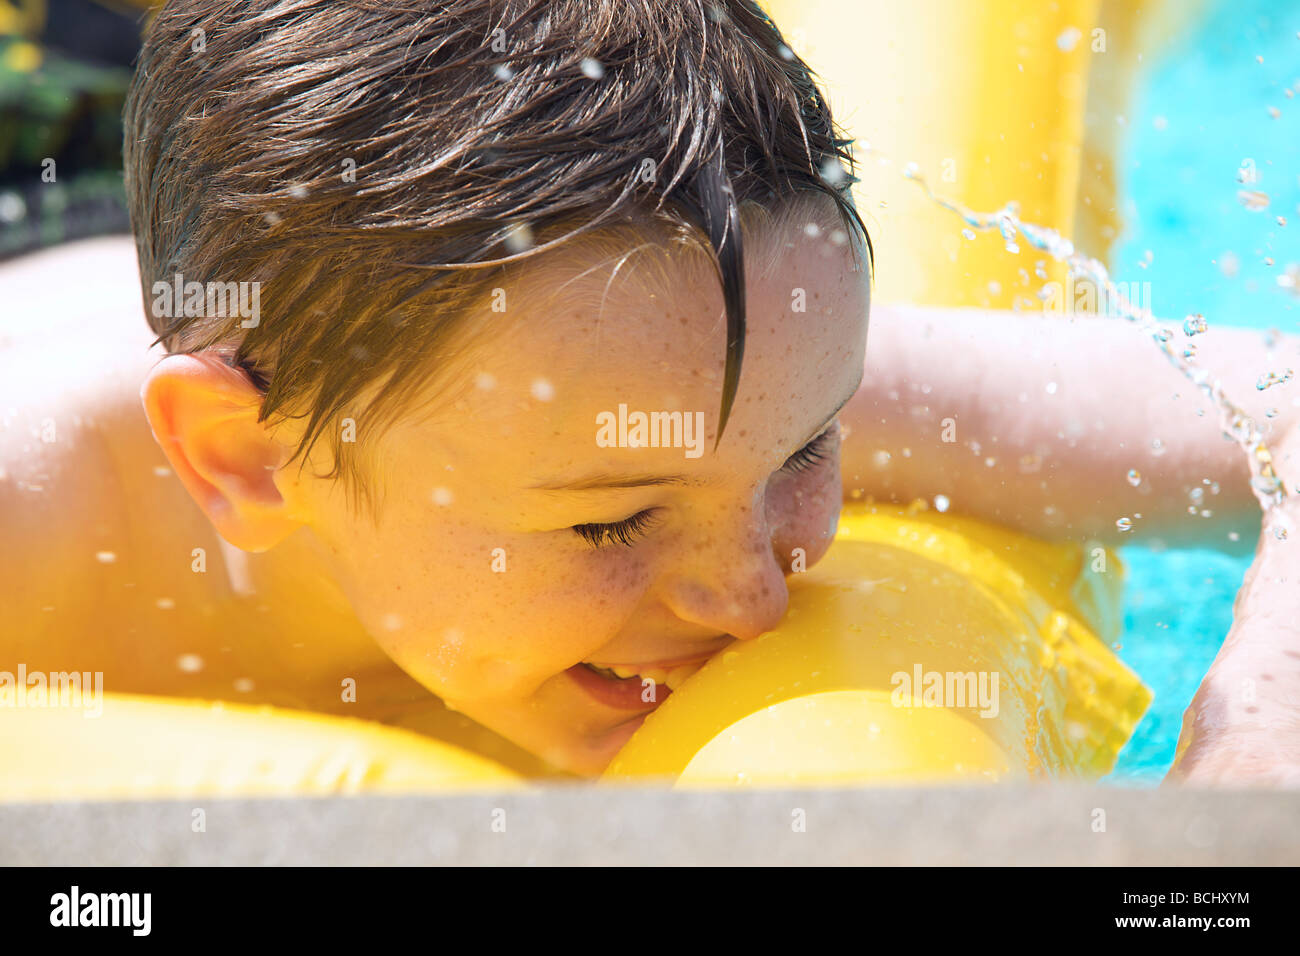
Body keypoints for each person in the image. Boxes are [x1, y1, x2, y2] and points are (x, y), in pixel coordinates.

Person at [1, 0, 1296, 782]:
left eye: (806, 451)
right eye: (610, 523)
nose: (752, 594)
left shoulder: (656, 367)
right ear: (243, 459)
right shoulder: (44, 526)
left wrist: (1252, 760)